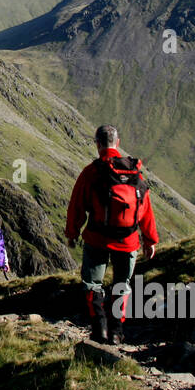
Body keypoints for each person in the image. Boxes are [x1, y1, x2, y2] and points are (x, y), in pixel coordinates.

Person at [64, 125, 159, 344]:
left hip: (97, 238)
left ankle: (99, 330)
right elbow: (145, 208)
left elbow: (76, 205)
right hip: (128, 241)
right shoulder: (135, 172)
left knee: (92, 284)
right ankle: (117, 332)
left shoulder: (92, 172)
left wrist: (72, 233)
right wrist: (150, 240)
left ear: (97, 144)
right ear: (117, 142)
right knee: (121, 285)